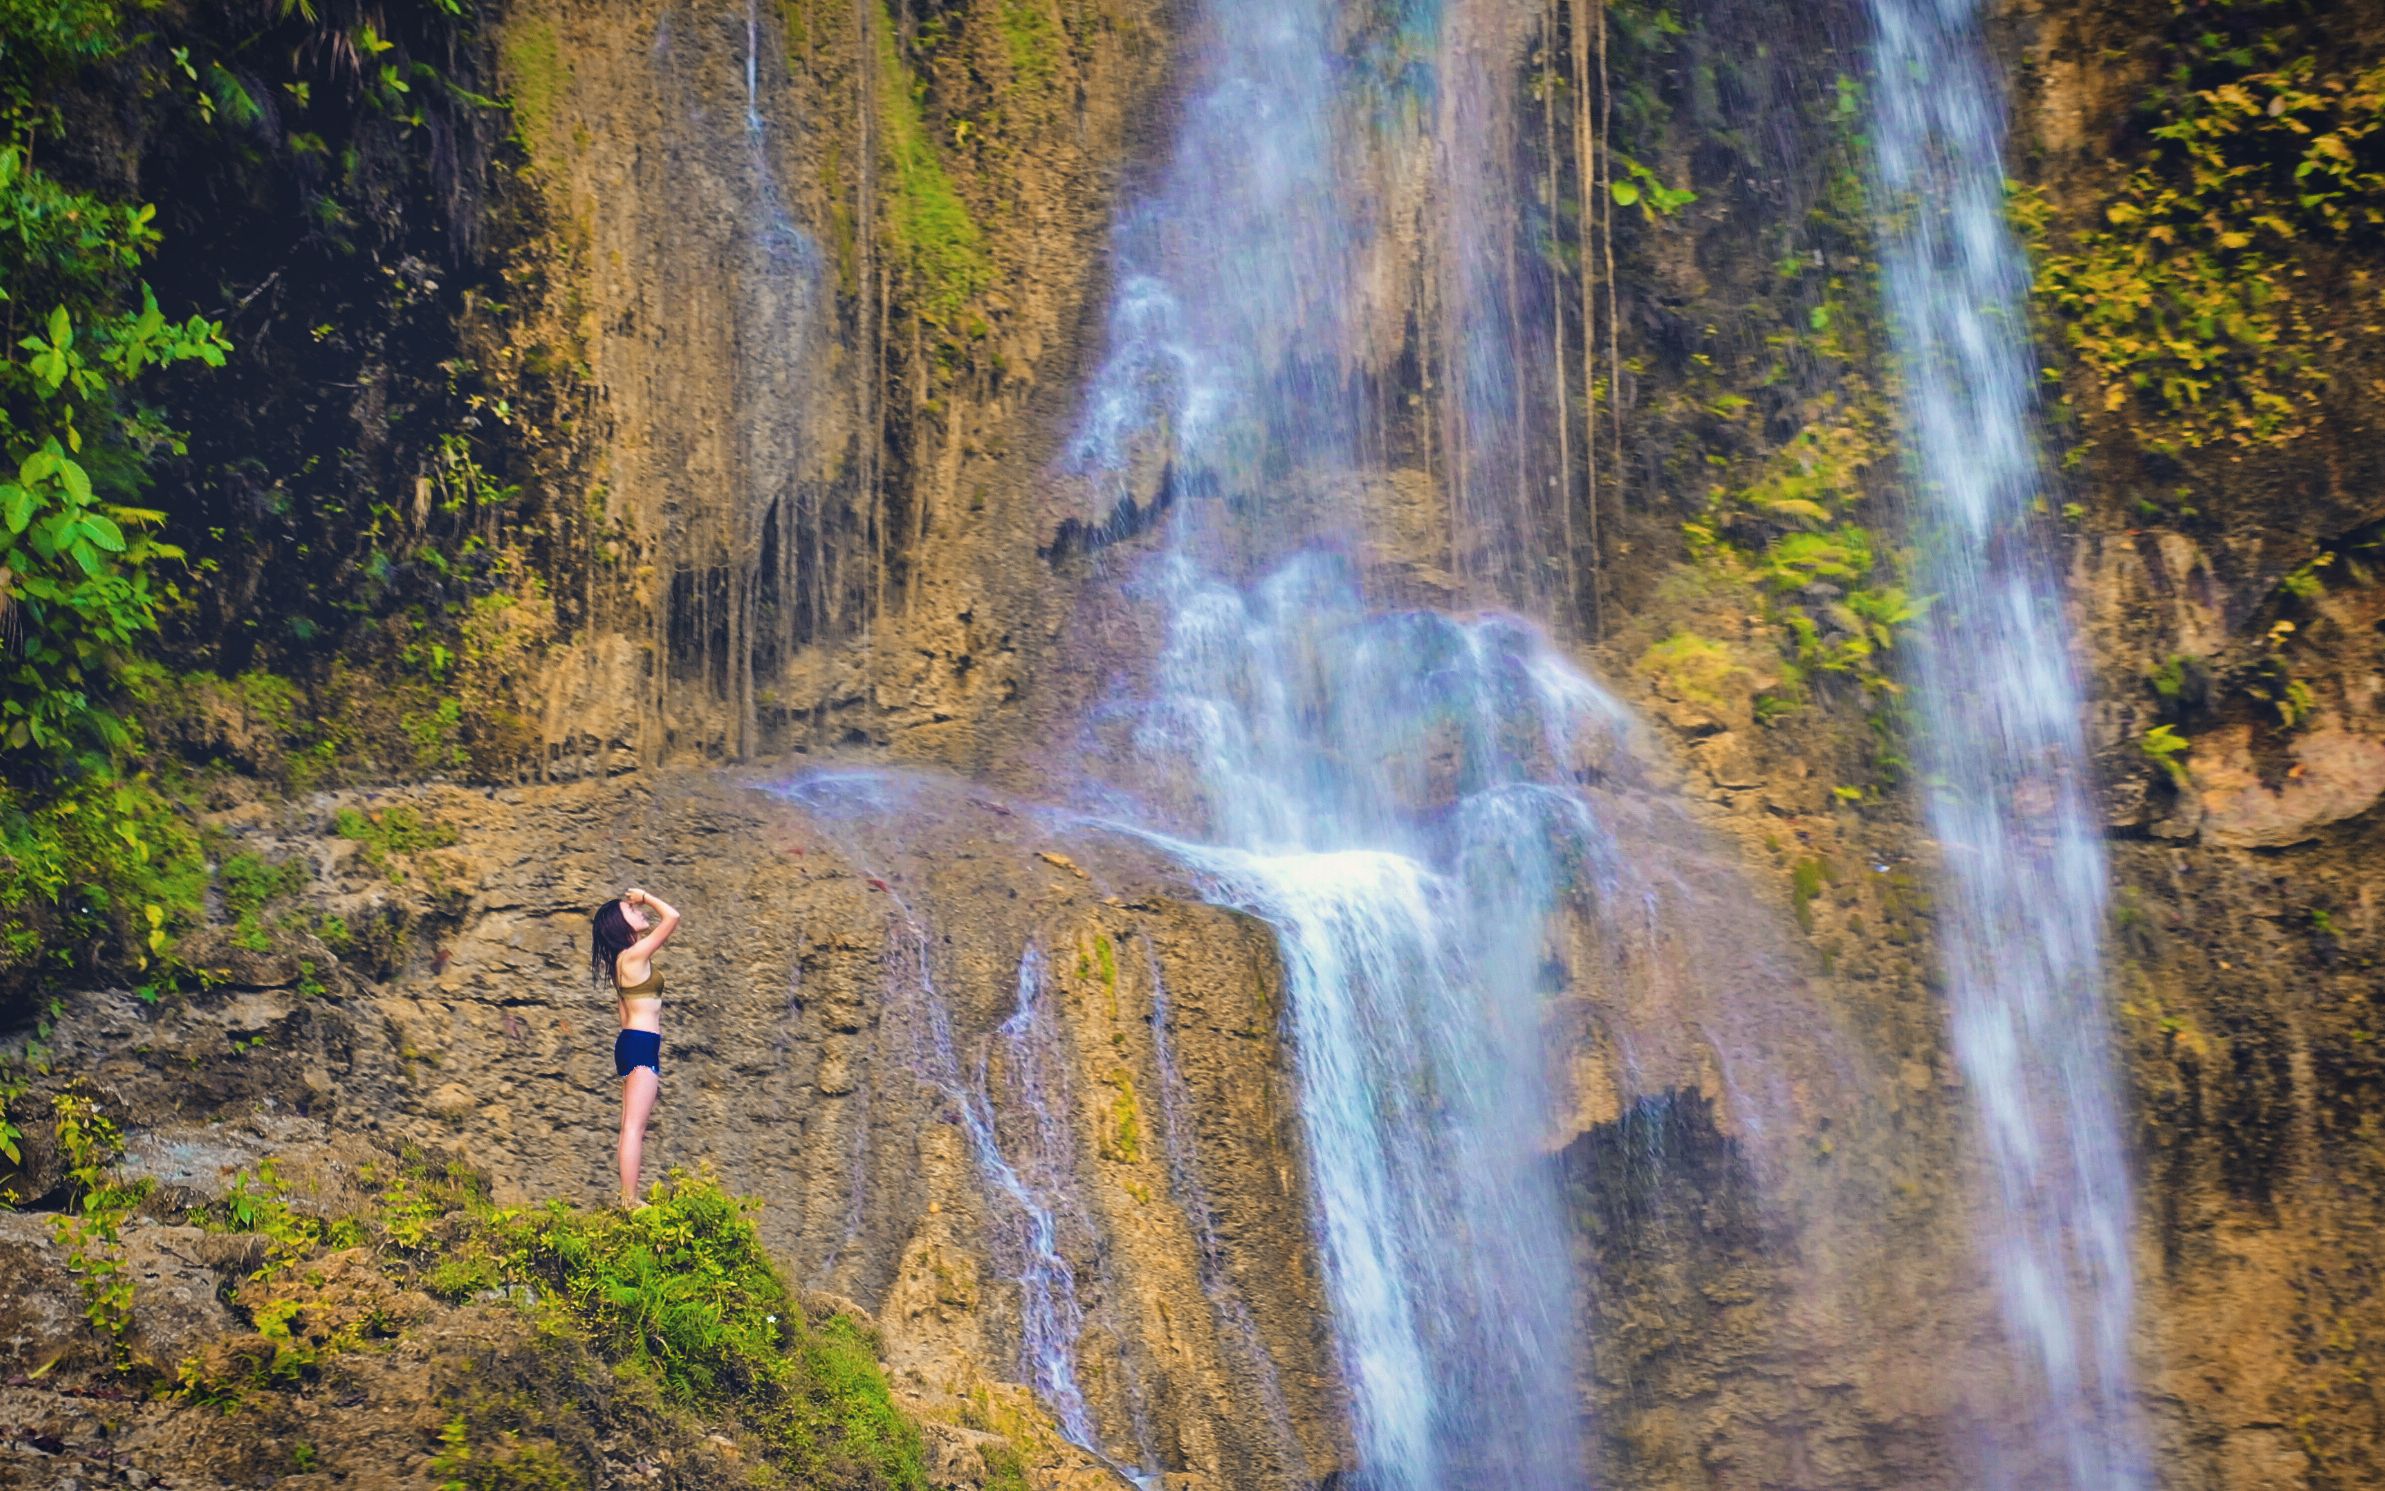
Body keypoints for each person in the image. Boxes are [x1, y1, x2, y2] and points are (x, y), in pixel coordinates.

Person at [589, 887, 681, 1207]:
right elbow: (672, 917)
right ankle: (630, 1200)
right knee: (633, 1128)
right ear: (620, 924)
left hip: (633, 1042)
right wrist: (645, 896)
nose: (638, 910)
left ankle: (629, 1197)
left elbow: (624, 1010)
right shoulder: (635, 955)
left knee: (631, 1125)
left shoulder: (622, 961)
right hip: (641, 1044)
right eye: (630, 910)